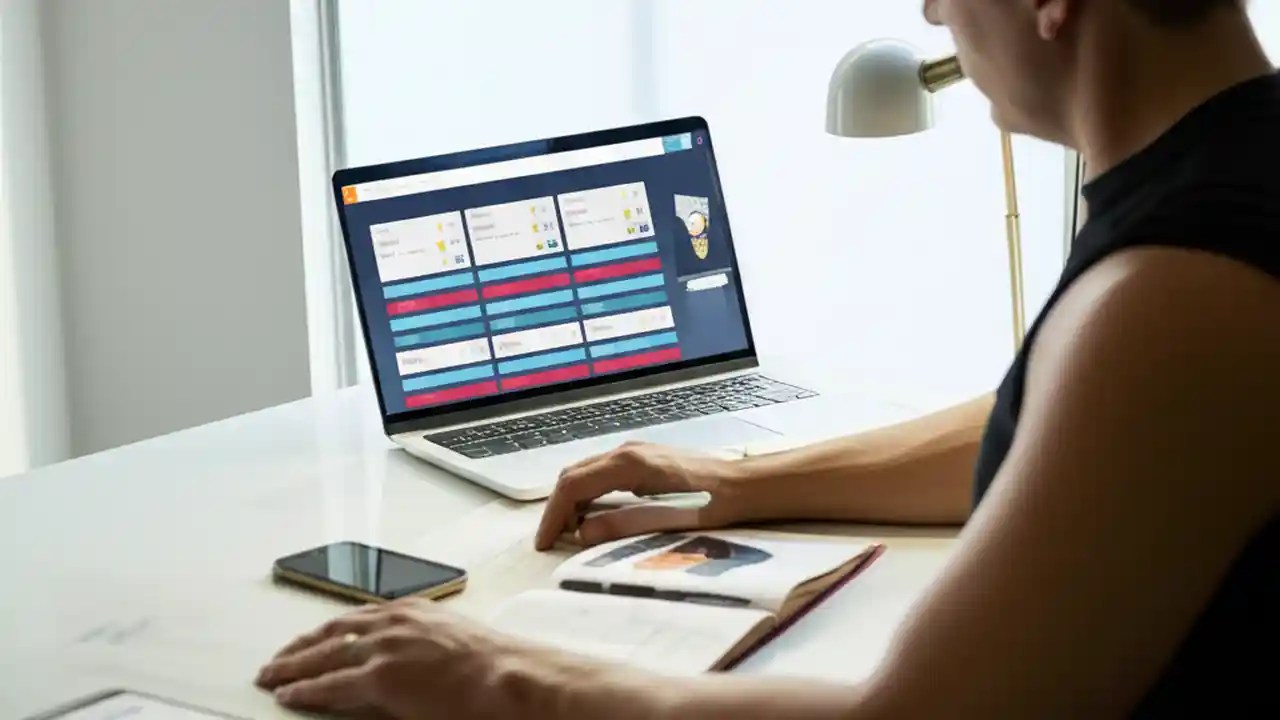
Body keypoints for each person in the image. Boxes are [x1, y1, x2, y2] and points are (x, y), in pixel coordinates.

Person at [257, 0, 1280, 716]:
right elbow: (1076, 424)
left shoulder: (1180, 289)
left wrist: (500, 681)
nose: (930, 14)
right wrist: (740, 483)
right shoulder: (1226, 180)